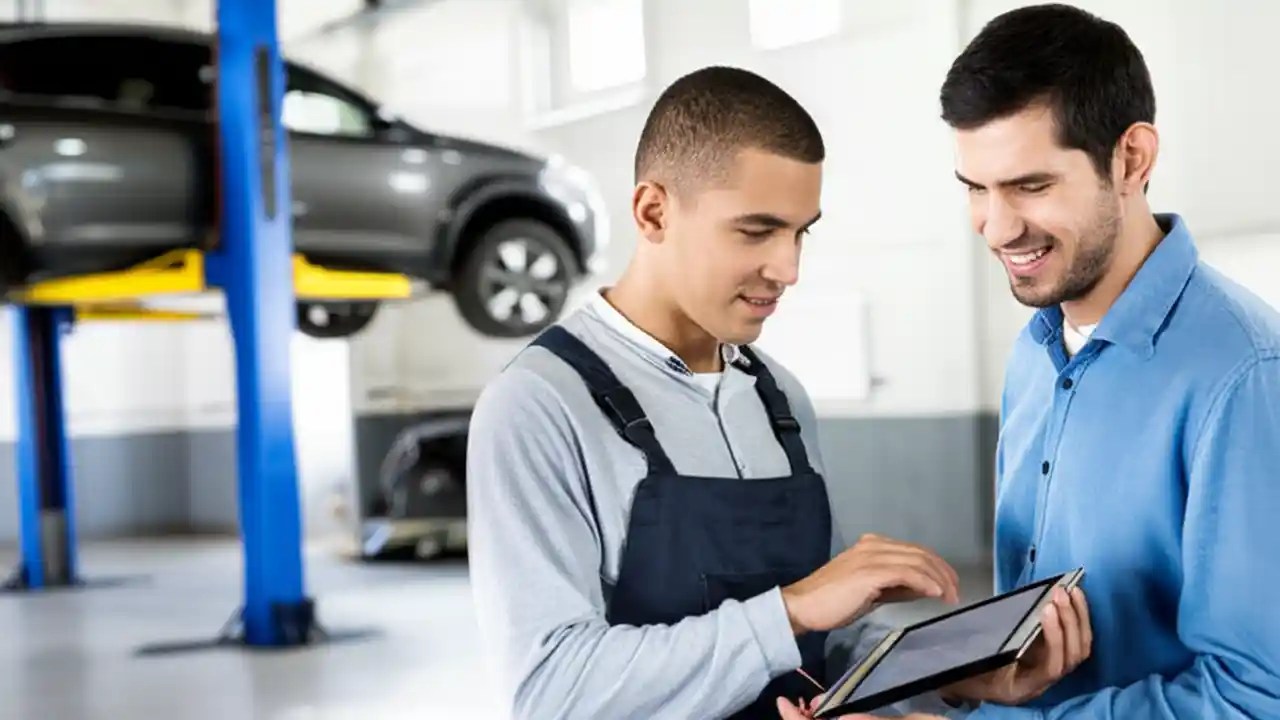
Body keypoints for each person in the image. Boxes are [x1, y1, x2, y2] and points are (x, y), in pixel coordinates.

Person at [789, 4, 1280, 719]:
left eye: (1031, 185)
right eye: (974, 189)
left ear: (1132, 160)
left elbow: (1256, 696)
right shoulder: (1037, 349)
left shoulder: (1243, 375)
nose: (997, 225)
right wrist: (937, 689)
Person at [465, 65, 967, 720]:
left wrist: (960, 671)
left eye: (801, 231)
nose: (788, 269)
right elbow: (552, 691)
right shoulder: (537, 406)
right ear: (653, 211)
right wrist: (788, 611)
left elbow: (829, 641)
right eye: (756, 231)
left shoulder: (778, 396)